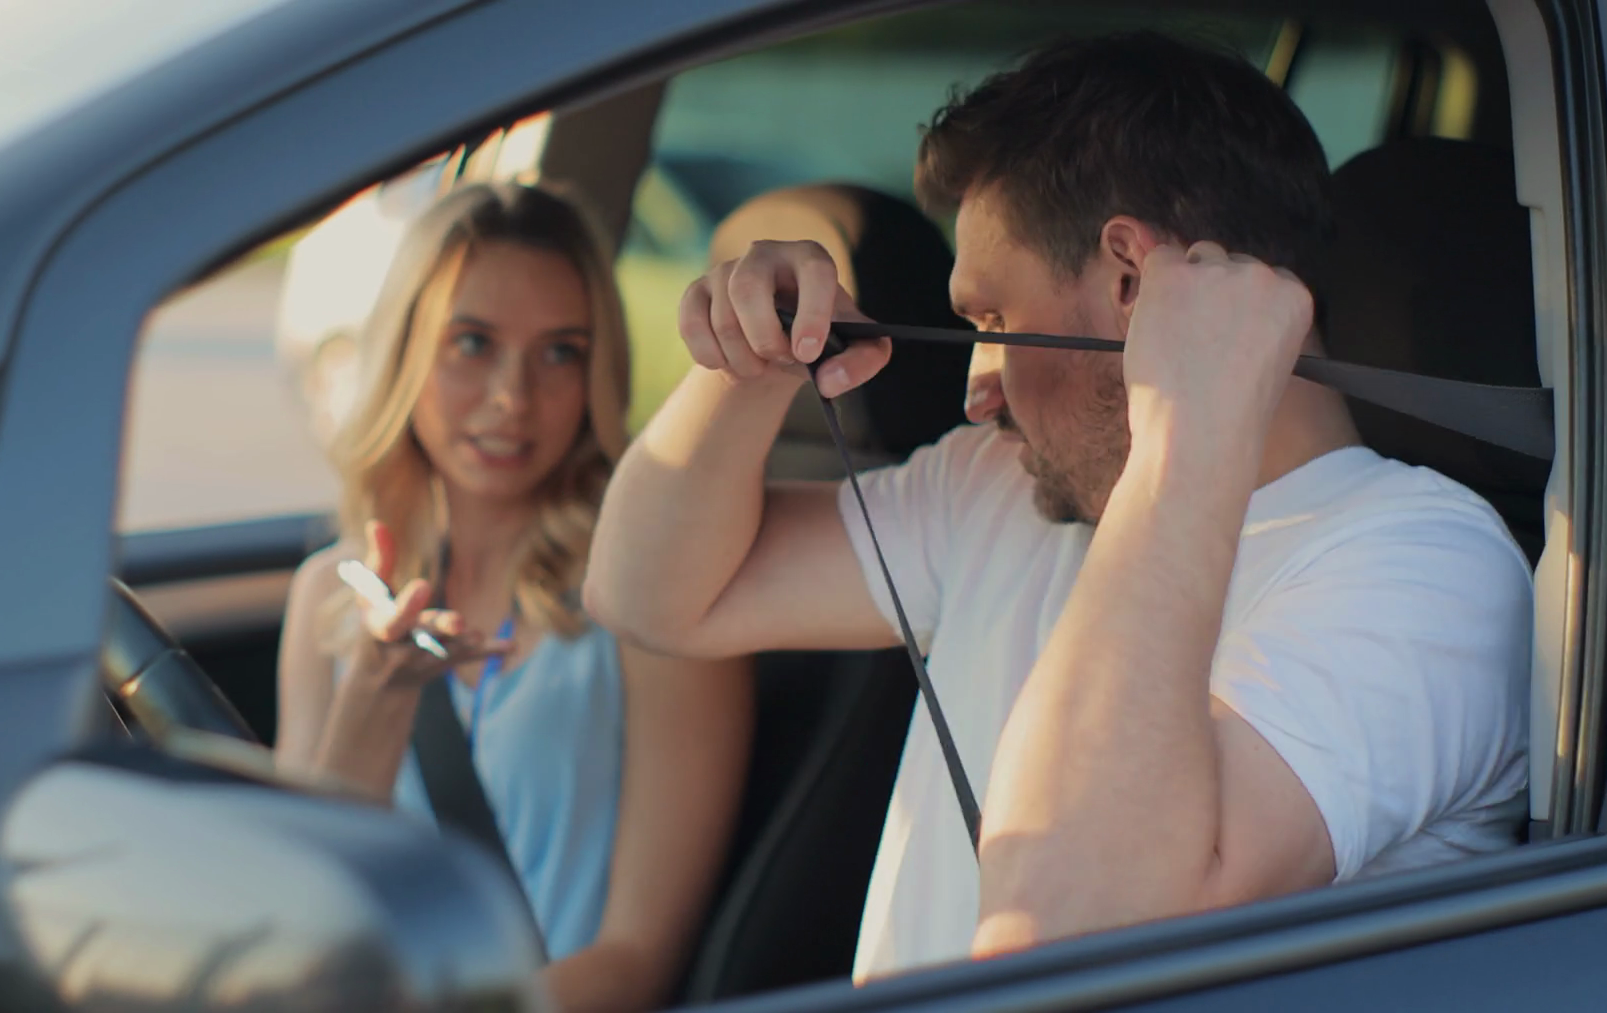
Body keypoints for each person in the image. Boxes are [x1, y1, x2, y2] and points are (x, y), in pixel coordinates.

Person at [585, 32, 1530, 983]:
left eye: (992, 320)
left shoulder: (1422, 569)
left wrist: (1185, 428)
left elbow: (1065, 933)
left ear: (1132, 282)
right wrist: (746, 370)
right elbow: (650, 596)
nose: (973, 389)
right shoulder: (1006, 489)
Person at [273, 182, 753, 1012]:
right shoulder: (330, 593)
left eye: (560, 352)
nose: (512, 398)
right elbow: (302, 928)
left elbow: (638, 959)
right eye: (472, 343)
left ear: (599, 370)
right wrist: (373, 703)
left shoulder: (653, 599)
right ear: (404, 354)